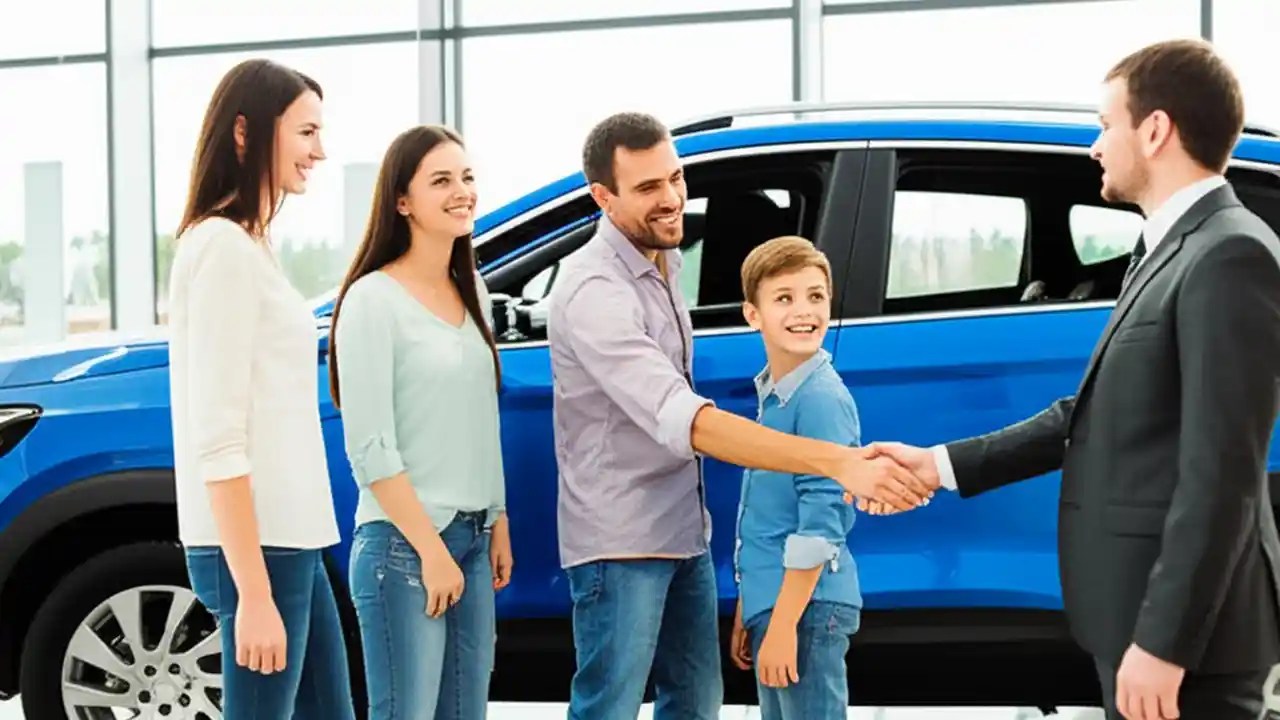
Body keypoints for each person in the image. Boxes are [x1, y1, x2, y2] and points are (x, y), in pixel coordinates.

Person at [866, 39, 1280, 720]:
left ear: (1155, 130)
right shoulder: (1168, 248)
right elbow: (1090, 413)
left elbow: (1222, 474)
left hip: (1186, 646)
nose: (1095, 145)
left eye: (1105, 123)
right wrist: (937, 466)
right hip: (1134, 617)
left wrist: (1164, 643)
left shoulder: (1229, 254)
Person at [548, 111, 931, 720]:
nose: (672, 197)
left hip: (681, 529)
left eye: (675, 178)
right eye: (648, 188)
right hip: (623, 538)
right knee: (609, 706)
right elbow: (685, 419)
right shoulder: (595, 290)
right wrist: (838, 462)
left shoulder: (661, 261)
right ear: (603, 196)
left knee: (698, 700)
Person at [167, 58, 355, 718]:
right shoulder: (220, 247)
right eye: (306, 132)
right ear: (246, 134)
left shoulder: (251, 245)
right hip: (260, 551)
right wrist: (251, 592)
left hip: (291, 539)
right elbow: (218, 435)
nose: (320, 151)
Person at [328, 124, 513, 720]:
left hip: (473, 539)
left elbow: (482, 423)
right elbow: (371, 448)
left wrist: (499, 514)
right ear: (401, 201)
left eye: (466, 177)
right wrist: (431, 551)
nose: (462, 191)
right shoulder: (370, 301)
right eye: (441, 181)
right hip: (403, 548)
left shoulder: (472, 291)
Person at [729, 236, 863, 719]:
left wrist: (784, 624)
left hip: (809, 610)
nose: (804, 311)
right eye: (784, 298)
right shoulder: (777, 397)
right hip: (783, 604)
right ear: (753, 314)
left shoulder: (821, 399)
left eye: (815, 296)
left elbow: (822, 520)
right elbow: (769, 518)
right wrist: (755, 604)